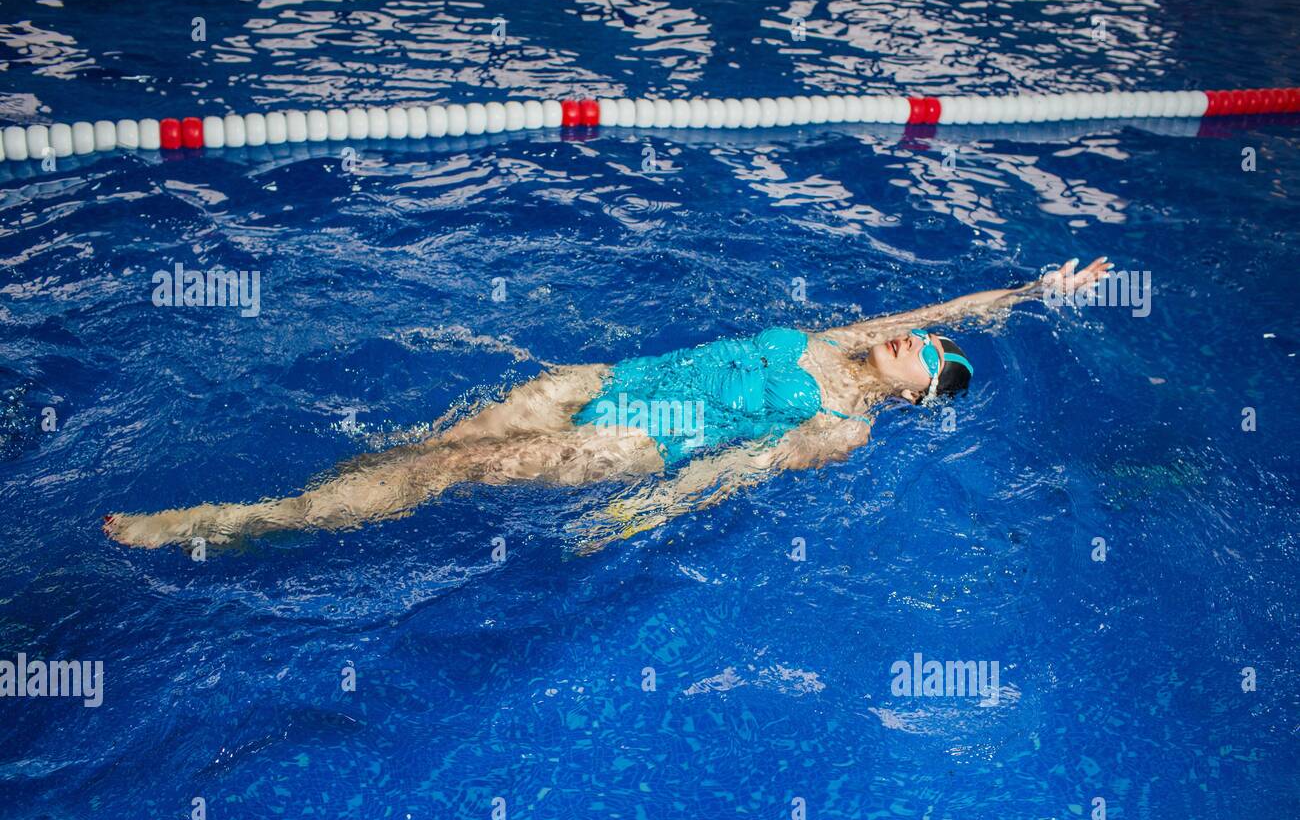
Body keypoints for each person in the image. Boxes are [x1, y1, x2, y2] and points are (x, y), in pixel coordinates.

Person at [104, 256, 1111, 552]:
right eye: (925, 335)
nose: (919, 338)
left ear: (914, 394)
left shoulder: (842, 429)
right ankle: (318, 486)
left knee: (451, 469)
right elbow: (951, 301)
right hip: (613, 380)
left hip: (644, 436)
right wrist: (1033, 293)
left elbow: (736, 468)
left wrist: (644, 510)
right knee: (437, 441)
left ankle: (234, 521)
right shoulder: (851, 338)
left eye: (929, 354)